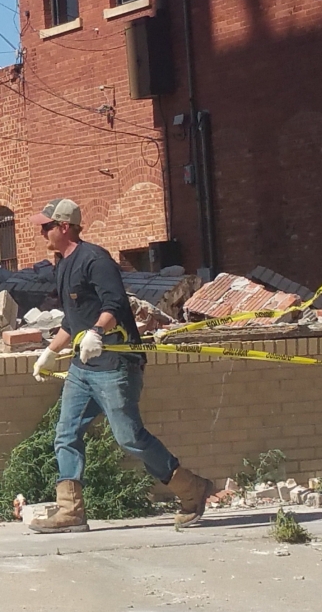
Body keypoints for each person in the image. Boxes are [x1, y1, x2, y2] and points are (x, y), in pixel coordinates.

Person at [25, 198, 214, 533]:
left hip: (115, 364)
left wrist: (98, 332)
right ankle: (71, 512)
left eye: (46, 226)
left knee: (129, 437)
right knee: (66, 434)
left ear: (64, 227)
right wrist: (50, 353)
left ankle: (192, 489)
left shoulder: (95, 260)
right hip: (84, 369)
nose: (43, 233)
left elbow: (115, 302)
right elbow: (72, 320)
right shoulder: (62, 265)